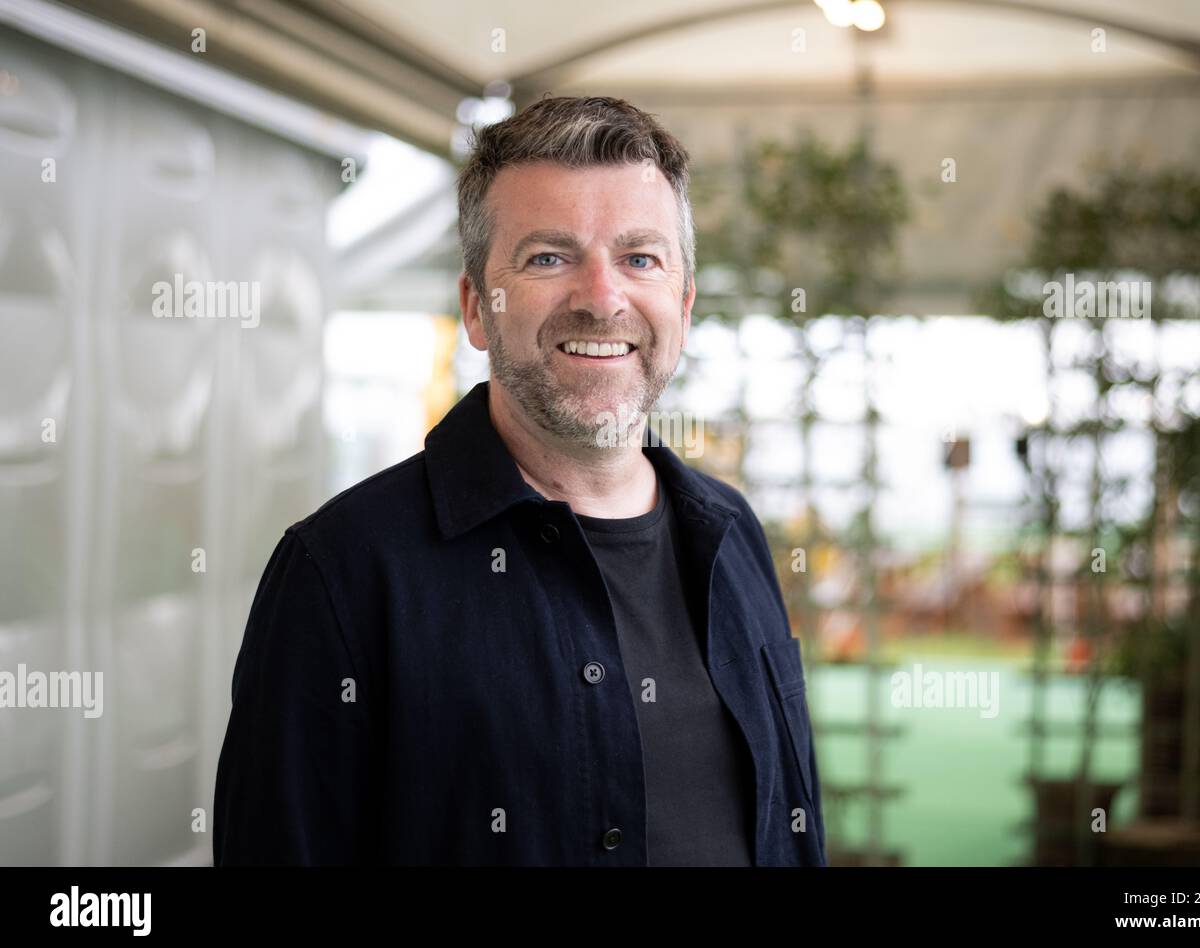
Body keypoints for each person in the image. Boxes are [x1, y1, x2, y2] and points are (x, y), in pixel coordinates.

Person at [213, 95, 825, 866]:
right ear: (476, 308)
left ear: (684, 303)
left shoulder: (732, 533)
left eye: (640, 258)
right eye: (548, 257)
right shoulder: (344, 573)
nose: (602, 300)